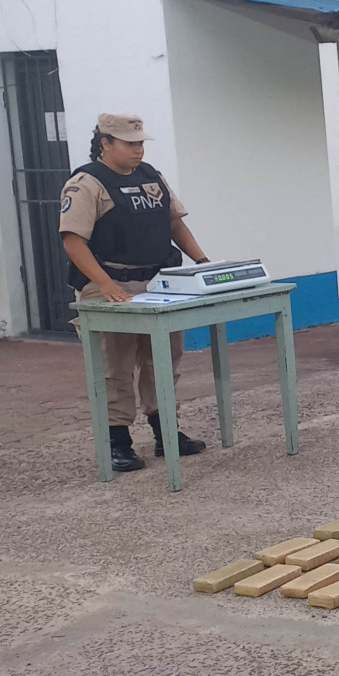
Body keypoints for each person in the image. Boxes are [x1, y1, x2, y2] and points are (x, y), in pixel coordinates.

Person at [60, 113, 213, 472]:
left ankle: (166, 434)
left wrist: (203, 262)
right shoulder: (87, 183)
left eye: (141, 143)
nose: (138, 150)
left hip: (160, 284)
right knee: (115, 365)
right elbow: (73, 241)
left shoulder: (151, 176)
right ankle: (118, 444)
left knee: (163, 359)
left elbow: (174, 222)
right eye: (130, 143)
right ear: (105, 143)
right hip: (111, 286)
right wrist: (104, 284)